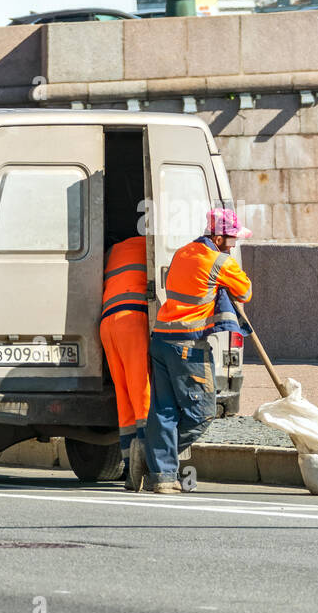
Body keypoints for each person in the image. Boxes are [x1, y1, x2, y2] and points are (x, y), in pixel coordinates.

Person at [142, 209, 253, 494]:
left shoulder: (183, 252)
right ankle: (151, 459)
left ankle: (163, 476)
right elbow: (245, 293)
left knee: (164, 411)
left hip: (162, 338)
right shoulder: (220, 261)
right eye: (232, 239)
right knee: (202, 412)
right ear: (218, 237)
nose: (235, 244)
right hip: (188, 345)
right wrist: (221, 281)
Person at [99, 235, 151, 491]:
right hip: (132, 317)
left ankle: (131, 464)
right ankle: (147, 463)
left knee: (124, 396)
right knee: (142, 392)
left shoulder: (115, 248)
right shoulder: (152, 245)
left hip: (107, 323)